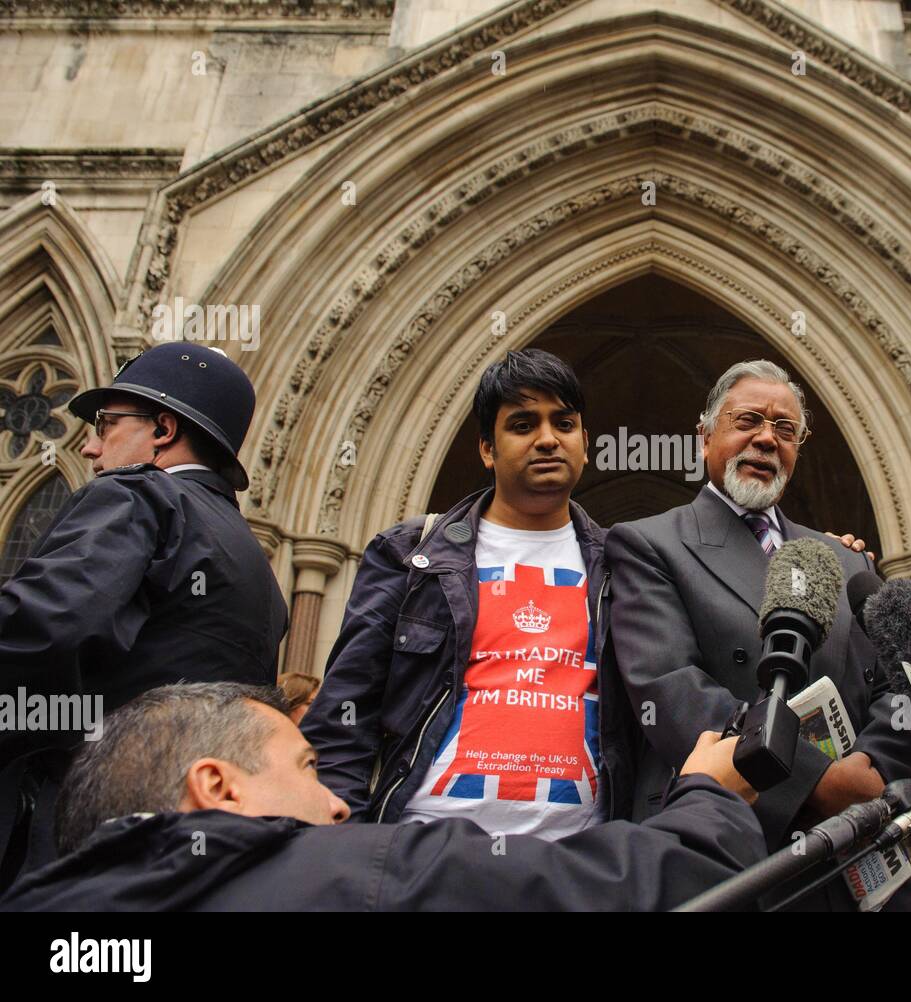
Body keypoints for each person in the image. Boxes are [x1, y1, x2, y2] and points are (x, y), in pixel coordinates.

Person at [604, 359, 911, 910]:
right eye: (748, 419)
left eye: (785, 429)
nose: (766, 439)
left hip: (858, 852)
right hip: (728, 845)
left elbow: (899, 682)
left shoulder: (844, 561)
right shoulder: (648, 544)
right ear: (704, 436)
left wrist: (876, 772)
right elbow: (670, 689)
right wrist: (816, 782)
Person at [0, 683, 763, 911]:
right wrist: (709, 796)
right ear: (217, 785)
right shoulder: (342, 878)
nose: (339, 805)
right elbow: (639, 889)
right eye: (305, 766)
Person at [301, 349, 641, 833]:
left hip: (576, 863)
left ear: (584, 443)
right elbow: (342, 719)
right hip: (422, 853)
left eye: (563, 424)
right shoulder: (410, 555)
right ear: (487, 448)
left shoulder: (624, 566)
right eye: (523, 425)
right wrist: (346, 850)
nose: (547, 440)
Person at [0, 342, 287, 886]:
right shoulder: (257, 568)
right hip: (184, 838)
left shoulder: (137, 497)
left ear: (162, 430)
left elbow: (44, 628)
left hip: (74, 824)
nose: (88, 447)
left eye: (106, 423)